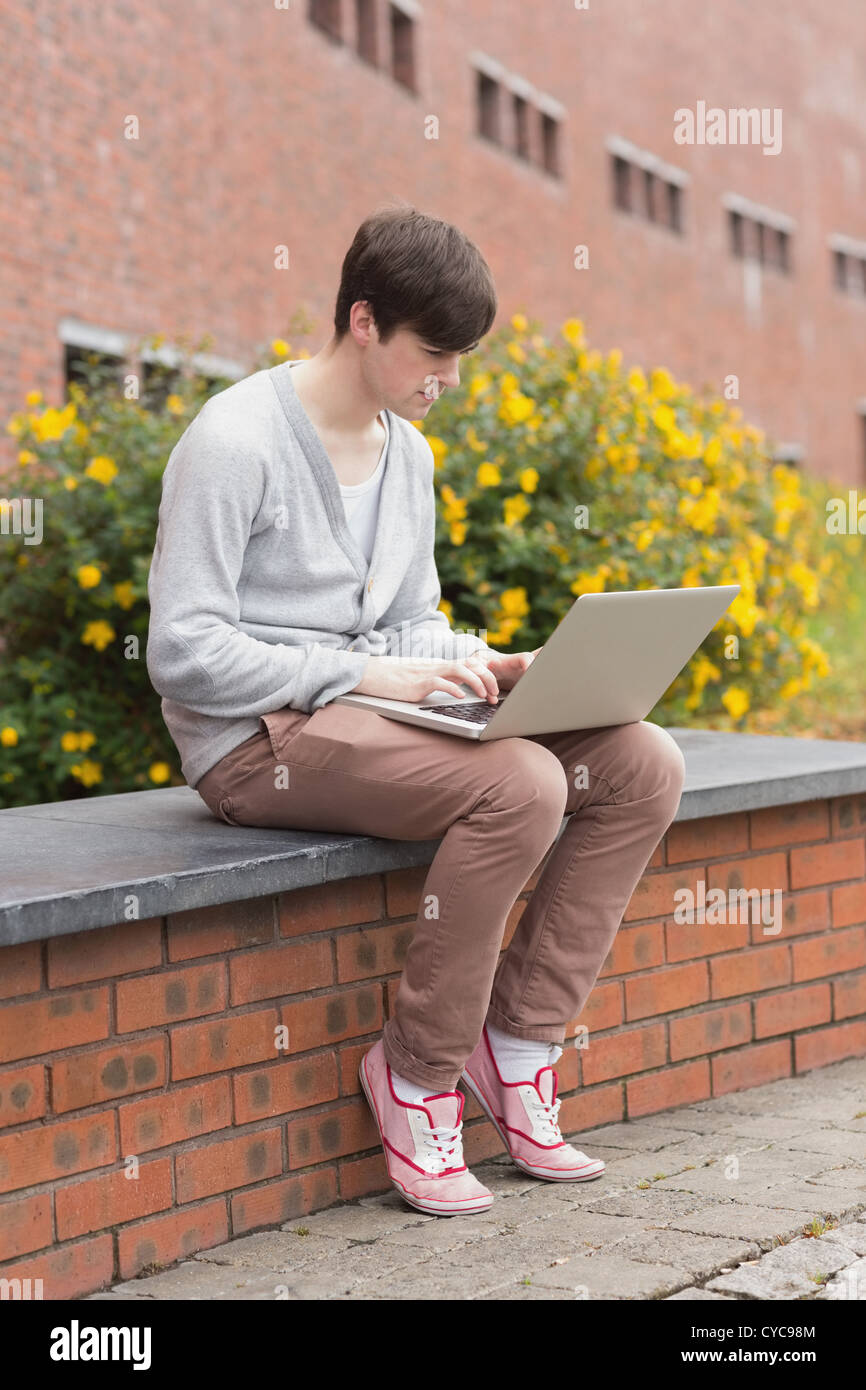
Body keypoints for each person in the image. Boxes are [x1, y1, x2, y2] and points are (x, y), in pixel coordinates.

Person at [145, 202, 686, 1218]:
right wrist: (354, 677)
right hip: (256, 744)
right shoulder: (234, 441)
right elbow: (181, 651)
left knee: (640, 761)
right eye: (432, 353)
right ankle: (414, 1073)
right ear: (362, 322)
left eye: (462, 356)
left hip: (368, 722)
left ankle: (516, 1040)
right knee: (521, 783)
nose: (448, 379)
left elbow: (404, 623)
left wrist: (486, 664)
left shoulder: (408, 455)